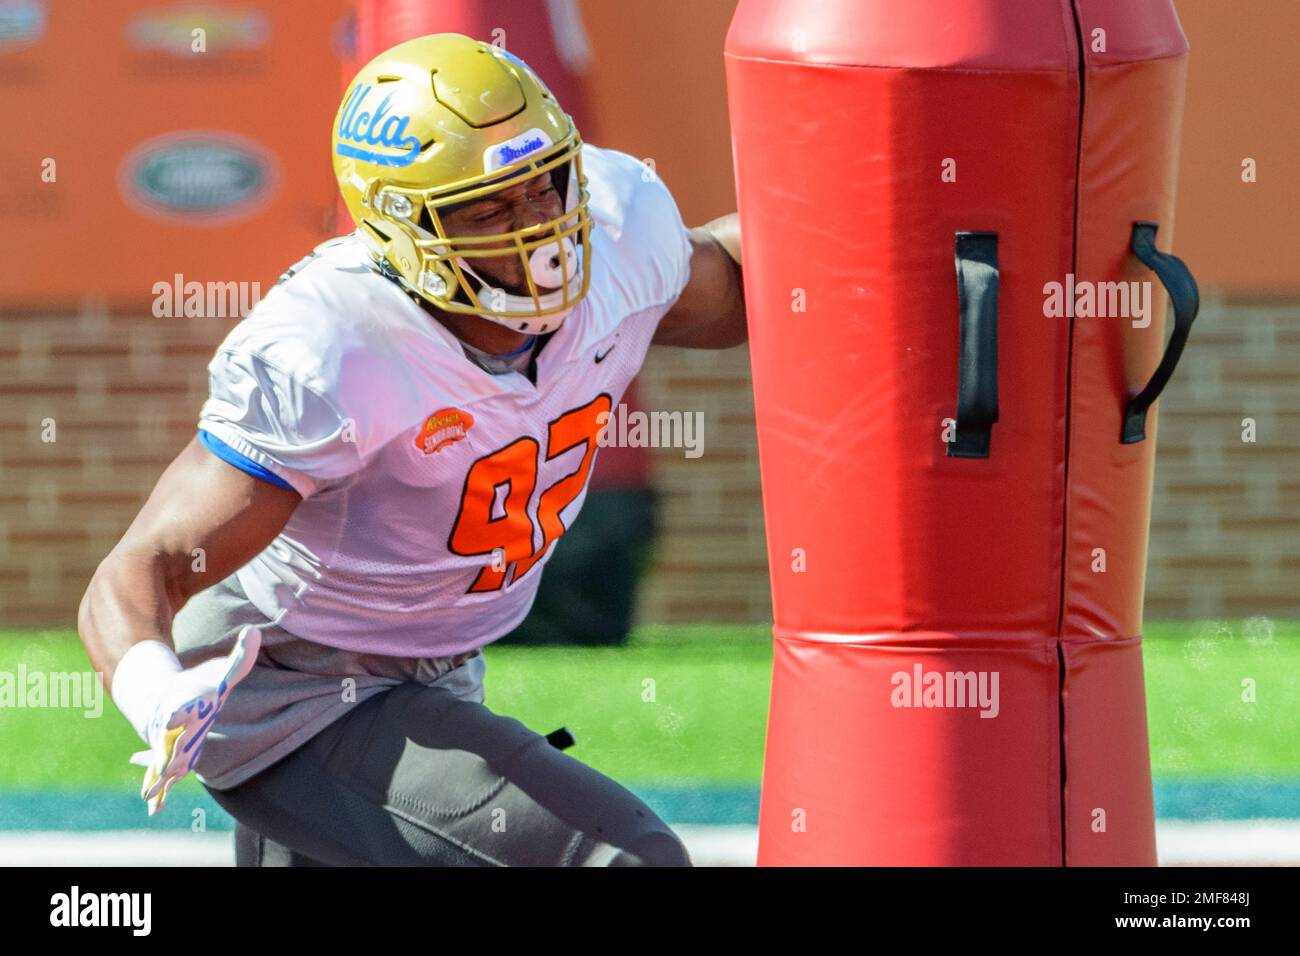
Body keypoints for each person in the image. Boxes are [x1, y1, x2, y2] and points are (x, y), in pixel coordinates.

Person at [76, 32, 746, 866]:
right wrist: (159, 692)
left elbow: (739, 286)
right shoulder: (337, 348)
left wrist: (907, 255)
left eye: (543, 185)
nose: (538, 225)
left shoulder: (616, 227)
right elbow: (149, 562)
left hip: (434, 669)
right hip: (295, 687)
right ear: (401, 226)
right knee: (620, 859)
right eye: (489, 209)